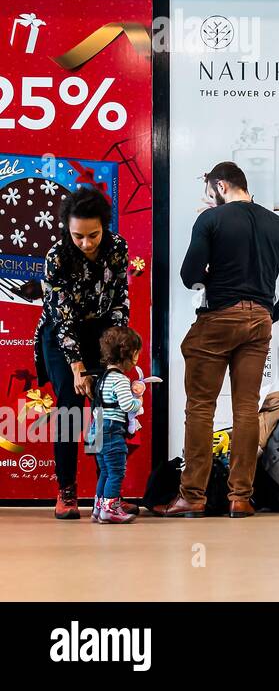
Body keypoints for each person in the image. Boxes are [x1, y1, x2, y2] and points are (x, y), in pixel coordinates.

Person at [163, 162, 279, 519]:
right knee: (246, 409)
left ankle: (193, 496)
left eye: (211, 191)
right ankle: (240, 497)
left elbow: (188, 276)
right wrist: (269, 314)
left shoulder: (211, 221)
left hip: (217, 319)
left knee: (201, 407)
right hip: (258, 322)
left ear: (222, 186)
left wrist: (209, 269)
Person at [34, 187, 133, 520]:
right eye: (78, 236)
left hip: (101, 334)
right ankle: (66, 490)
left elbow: (120, 301)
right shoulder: (57, 256)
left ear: (104, 225)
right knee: (69, 406)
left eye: (93, 235)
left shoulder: (118, 247)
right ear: (67, 229)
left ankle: (107, 495)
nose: (87, 243)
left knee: (105, 408)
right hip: (61, 336)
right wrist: (78, 368)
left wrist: (115, 356)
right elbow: (61, 319)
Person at [86, 326, 145, 525]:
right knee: (116, 471)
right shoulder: (120, 379)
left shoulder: (103, 378)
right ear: (128, 354)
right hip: (111, 430)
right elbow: (128, 405)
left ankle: (98, 507)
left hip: (97, 429)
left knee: (104, 471)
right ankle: (110, 509)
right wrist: (139, 401)